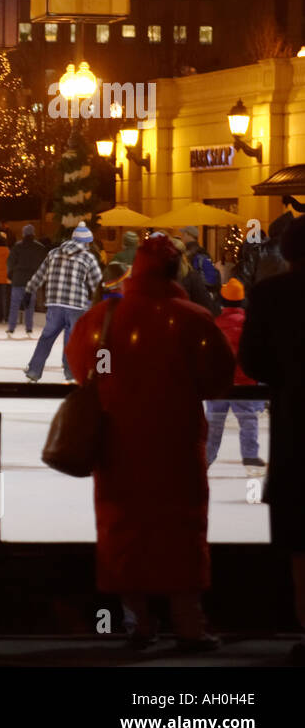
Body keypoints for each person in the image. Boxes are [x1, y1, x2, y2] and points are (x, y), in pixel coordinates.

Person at [67, 234, 234, 652]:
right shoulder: (193, 318)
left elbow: (81, 366)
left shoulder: (104, 316)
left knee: (124, 527)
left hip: (117, 440)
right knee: (182, 527)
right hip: (175, 442)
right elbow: (217, 381)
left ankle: (137, 622)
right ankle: (189, 623)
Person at [239, 215, 305, 665]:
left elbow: (253, 360)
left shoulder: (269, 295)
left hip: (297, 428)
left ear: (286, 253)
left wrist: (287, 381)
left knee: (301, 534)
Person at [23, 222, 102, 383]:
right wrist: (101, 302)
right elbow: (97, 284)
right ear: (86, 242)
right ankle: (70, 374)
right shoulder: (88, 257)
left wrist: (29, 290)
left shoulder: (53, 253)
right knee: (71, 340)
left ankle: (34, 371)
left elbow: (40, 274)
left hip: (55, 303)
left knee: (47, 337)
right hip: (76, 305)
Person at [202, 278, 266, 476]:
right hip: (244, 383)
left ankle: (206, 458)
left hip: (219, 383)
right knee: (248, 420)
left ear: (222, 301)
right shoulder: (248, 324)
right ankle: (250, 456)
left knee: (213, 422)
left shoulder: (215, 324)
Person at [5, 224, 47, 339]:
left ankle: (11, 329)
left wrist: (10, 276)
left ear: (23, 234)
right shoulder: (39, 248)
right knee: (29, 306)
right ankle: (29, 329)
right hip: (32, 281)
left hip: (18, 279)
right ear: (33, 233)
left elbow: (10, 262)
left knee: (14, 305)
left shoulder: (17, 247)